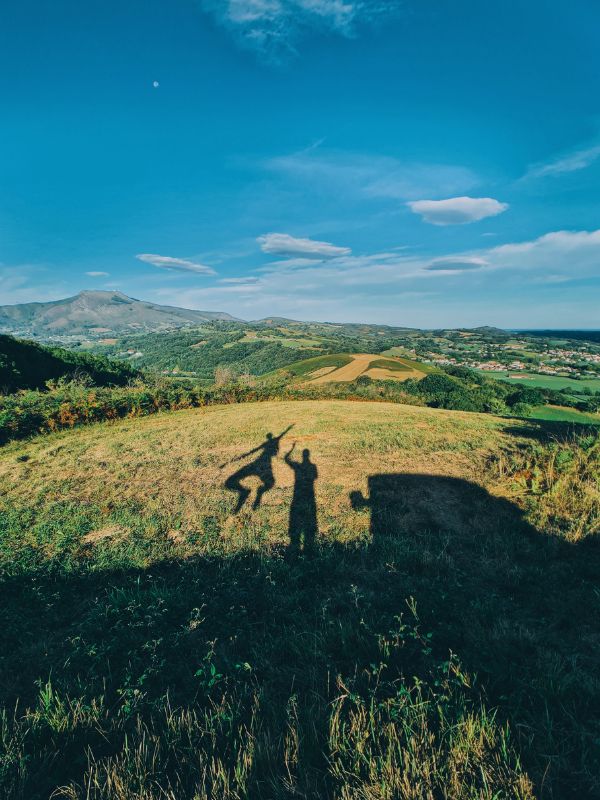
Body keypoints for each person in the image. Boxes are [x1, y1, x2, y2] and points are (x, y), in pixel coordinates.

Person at [224, 426, 293, 512]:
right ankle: (246, 491)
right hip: (259, 463)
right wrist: (240, 457)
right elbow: (254, 451)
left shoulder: (273, 441)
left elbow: (282, 434)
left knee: (270, 483)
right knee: (228, 483)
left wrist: (289, 428)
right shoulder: (271, 442)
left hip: (262, 463)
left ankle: (256, 493)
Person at [284, 444, 318, 553]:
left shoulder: (297, 466)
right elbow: (315, 476)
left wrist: (290, 450)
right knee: (311, 513)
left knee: (296, 513)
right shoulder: (313, 466)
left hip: (298, 492)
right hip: (310, 492)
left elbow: (286, 459)